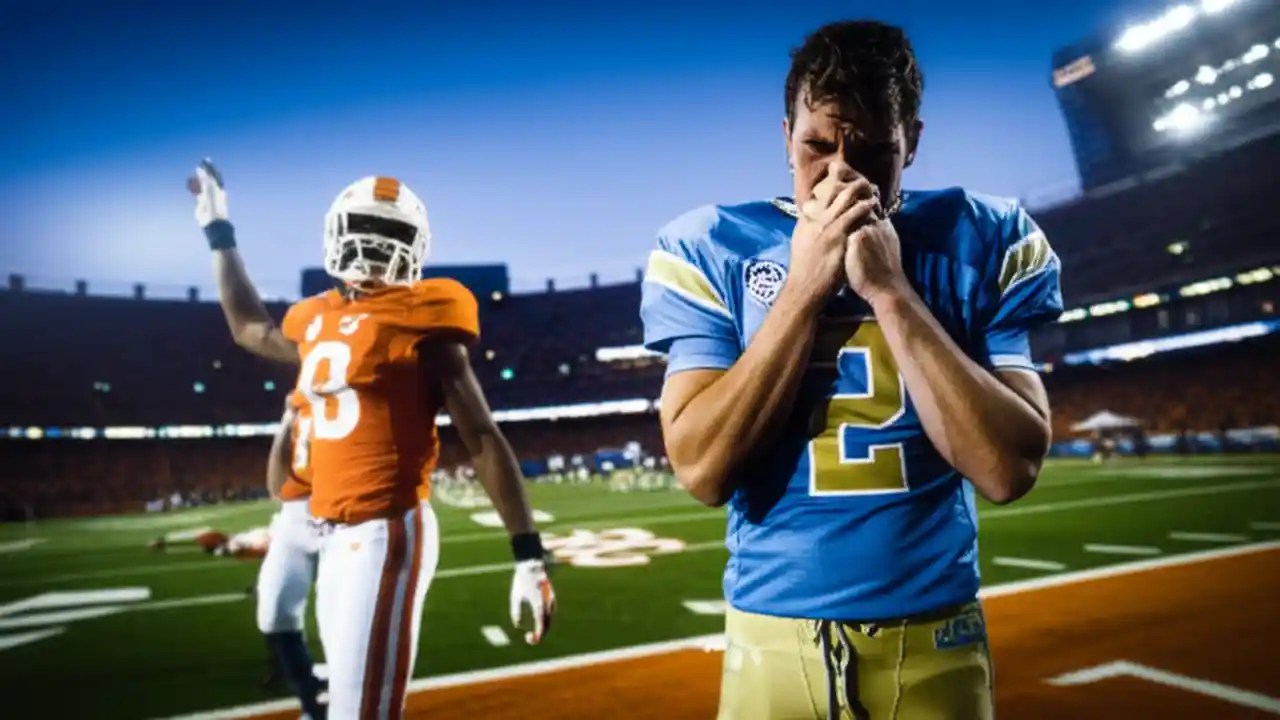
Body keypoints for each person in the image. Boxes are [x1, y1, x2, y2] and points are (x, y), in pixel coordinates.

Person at [639, 20, 1062, 720]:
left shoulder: (986, 236)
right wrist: (805, 287)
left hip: (935, 639)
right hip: (772, 640)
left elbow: (1007, 468)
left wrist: (891, 292)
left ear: (913, 144)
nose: (841, 171)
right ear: (785, 137)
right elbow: (702, 467)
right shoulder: (709, 245)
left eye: (873, 151)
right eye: (816, 145)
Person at [189, 161, 555, 719]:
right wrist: (218, 231)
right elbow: (248, 328)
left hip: (382, 533)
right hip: (328, 531)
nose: (372, 244)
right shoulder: (317, 318)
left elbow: (480, 434)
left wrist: (528, 554)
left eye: (390, 234)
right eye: (363, 226)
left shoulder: (425, 313)